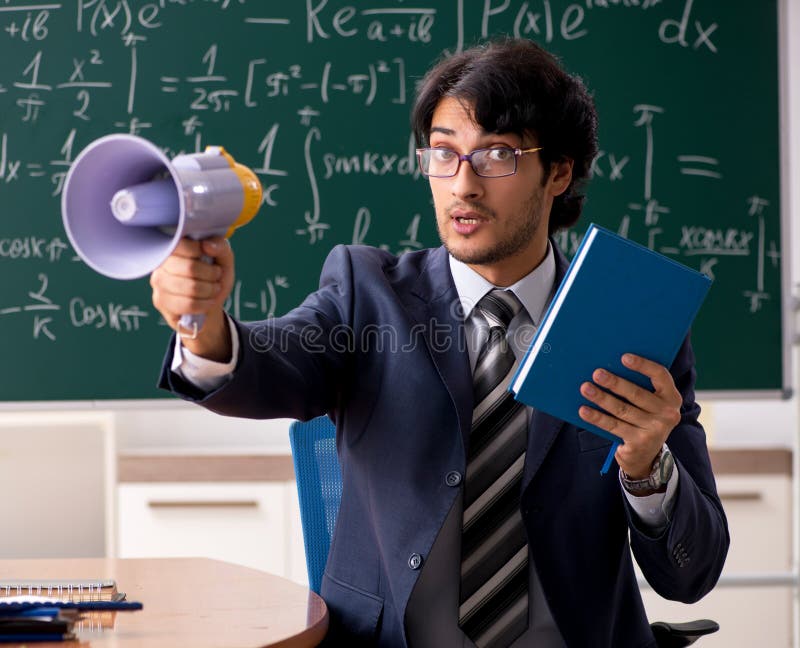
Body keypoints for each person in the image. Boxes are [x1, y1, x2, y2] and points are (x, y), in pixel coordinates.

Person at [151, 38, 729, 648]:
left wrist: (645, 468)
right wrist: (202, 324)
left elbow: (692, 573)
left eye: (496, 156)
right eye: (444, 155)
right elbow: (266, 365)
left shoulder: (626, 326)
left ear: (558, 172)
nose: (463, 186)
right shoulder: (365, 292)